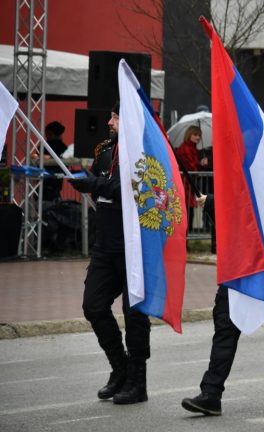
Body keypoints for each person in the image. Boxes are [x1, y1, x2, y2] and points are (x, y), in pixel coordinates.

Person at [181, 194, 264, 416]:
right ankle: (211, 393)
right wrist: (214, 202)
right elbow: (238, 207)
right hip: (241, 265)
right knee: (226, 324)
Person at [67, 101, 151, 405]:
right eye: (111, 116)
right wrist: (84, 181)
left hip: (135, 248)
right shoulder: (104, 150)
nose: (110, 123)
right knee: (93, 306)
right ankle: (120, 369)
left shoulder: (143, 153)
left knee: (135, 315)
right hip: (106, 247)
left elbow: (134, 189)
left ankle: (137, 382)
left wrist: (96, 184)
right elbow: (98, 181)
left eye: (115, 117)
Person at [42, 121, 69, 201]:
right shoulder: (64, 148)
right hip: (56, 186)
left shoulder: (45, 147)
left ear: (50, 133)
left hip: (44, 185)